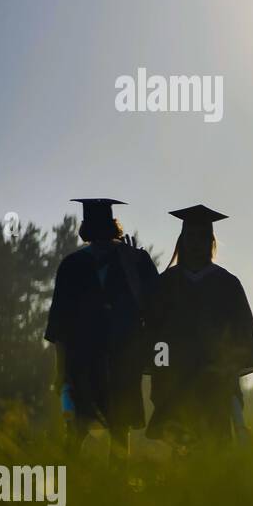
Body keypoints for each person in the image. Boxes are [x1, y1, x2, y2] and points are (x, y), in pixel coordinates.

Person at [44, 198, 159, 467]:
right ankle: (72, 485)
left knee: (119, 429)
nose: (101, 236)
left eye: (103, 228)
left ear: (112, 228)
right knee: (77, 429)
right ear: (88, 230)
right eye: (96, 228)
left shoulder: (134, 260)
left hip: (123, 357)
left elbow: (155, 304)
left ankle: (116, 491)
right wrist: (61, 370)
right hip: (83, 359)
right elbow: (60, 323)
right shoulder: (73, 265)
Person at [145, 206, 253, 448]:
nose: (196, 244)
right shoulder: (166, 283)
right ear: (182, 240)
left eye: (201, 238)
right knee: (179, 444)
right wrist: (161, 372)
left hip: (215, 379)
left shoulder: (227, 284)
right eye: (190, 237)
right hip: (175, 378)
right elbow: (153, 333)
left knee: (214, 446)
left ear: (210, 241)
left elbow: (242, 334)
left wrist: (229, 369)